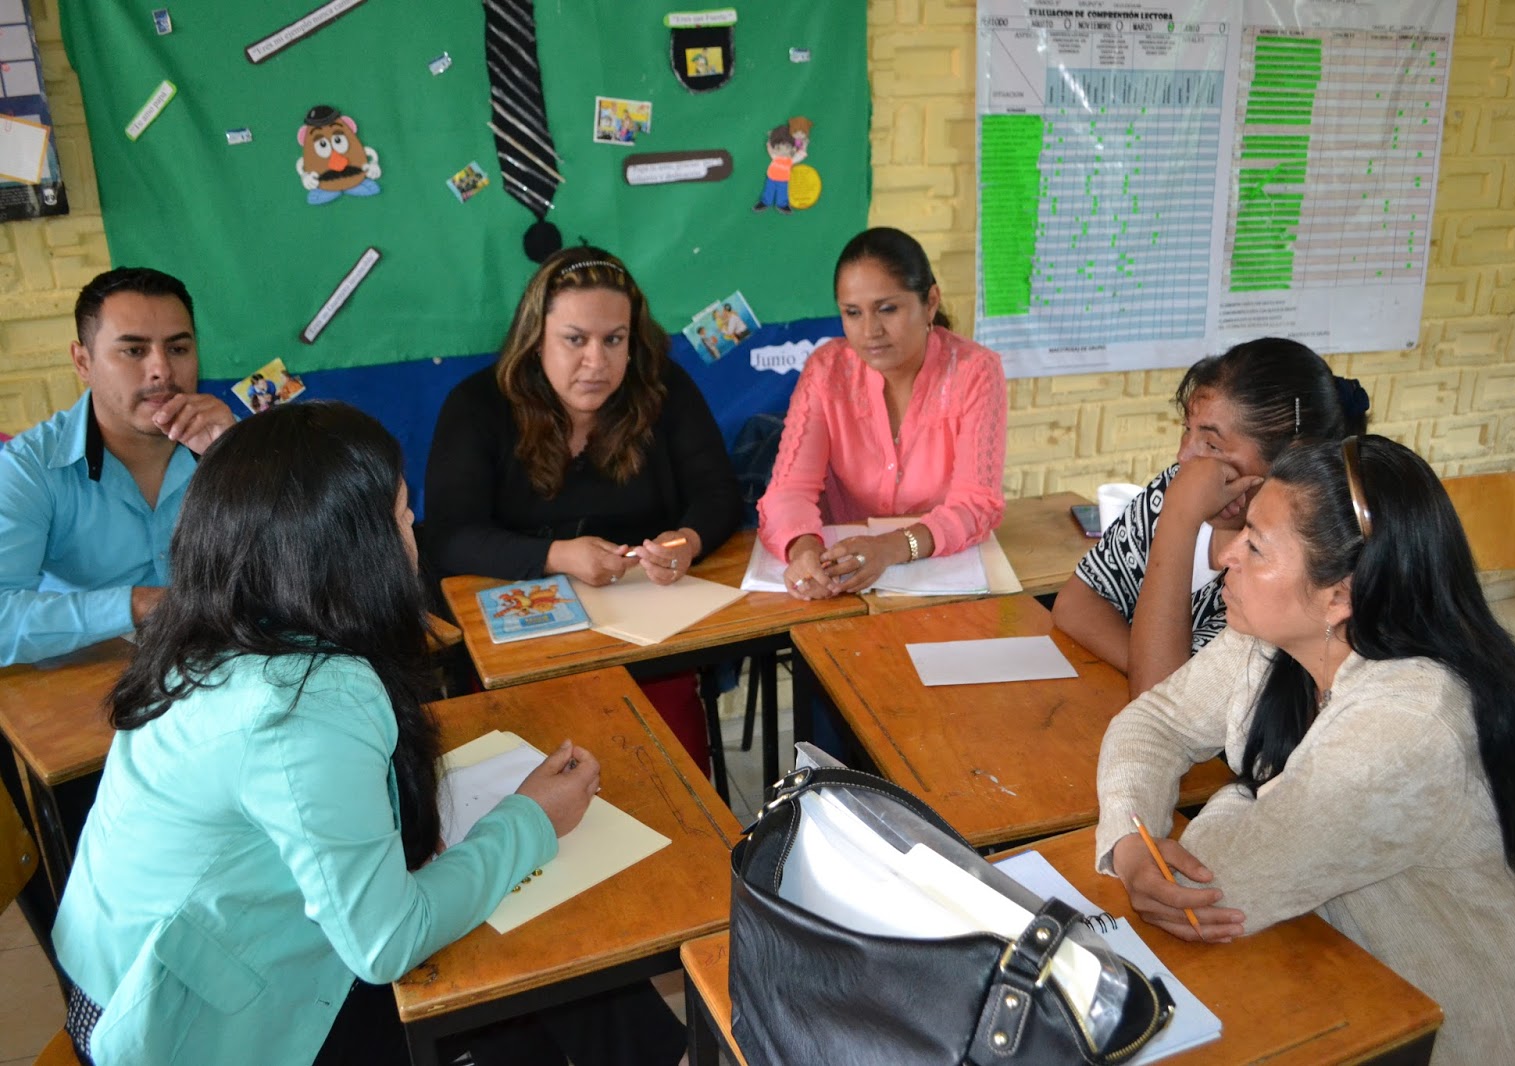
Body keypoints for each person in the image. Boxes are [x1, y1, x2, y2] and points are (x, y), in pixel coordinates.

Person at [50, 403, 683, 1065]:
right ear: (350, 554)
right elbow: (386, 943)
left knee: (528, 960)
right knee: (527, 956)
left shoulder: (216, 626)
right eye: (404, 516)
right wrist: (530, 819)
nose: (416, 532)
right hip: (182, 1029)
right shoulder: (305, 699)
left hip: (167, 968)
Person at [1095, 435, 1515, 1066]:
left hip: (1466, 1037)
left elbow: (1215, 892)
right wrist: (1128, 839)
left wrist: (1238, 796)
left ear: (1342, 594)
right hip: (1360, 970)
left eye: (1255, 545)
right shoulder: (1280, 632)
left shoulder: (1410, 725)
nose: (1226, 555)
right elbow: (1152, 722)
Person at [425, 247, 741, 772]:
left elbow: (718, 493)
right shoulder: (477, 405)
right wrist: (554, 556)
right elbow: (449, 535)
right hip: (521, 649)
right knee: (538, 784)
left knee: (666, 777)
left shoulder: (663, 388)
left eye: (614, 340)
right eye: (575, 340)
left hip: (645, 640)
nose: (596, 362)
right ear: (536, 338)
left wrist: (685, 542)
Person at [1053, 338, 1367, 697]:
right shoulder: (1176, 487)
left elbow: (1161, 697)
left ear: (1290, 460)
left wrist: (1178, 520)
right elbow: (1075, 604)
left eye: (1212, 445)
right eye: (1188, 430)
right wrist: (1147, 662)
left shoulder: (1292, 563)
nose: (1185, 456)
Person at [0, 267, 234, 666]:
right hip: (85, 695)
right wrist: (137, 605)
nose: (161, 370)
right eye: (134, 350)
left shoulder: (232, 444)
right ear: (83, 361)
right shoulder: (29, 468)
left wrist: (239, 460)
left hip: (229, 682)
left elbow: (324, 576)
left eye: (178, 349)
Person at [758, 226, 1006, 599]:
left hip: (941, 582)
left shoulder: (975, 372)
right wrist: (805, 550)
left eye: (887, 309)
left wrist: (892, 548)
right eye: (853, 313)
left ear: (931, 302)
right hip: (842, 583)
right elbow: (788, 490)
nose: (870, 330)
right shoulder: (827, 370)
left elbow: (976, 503)